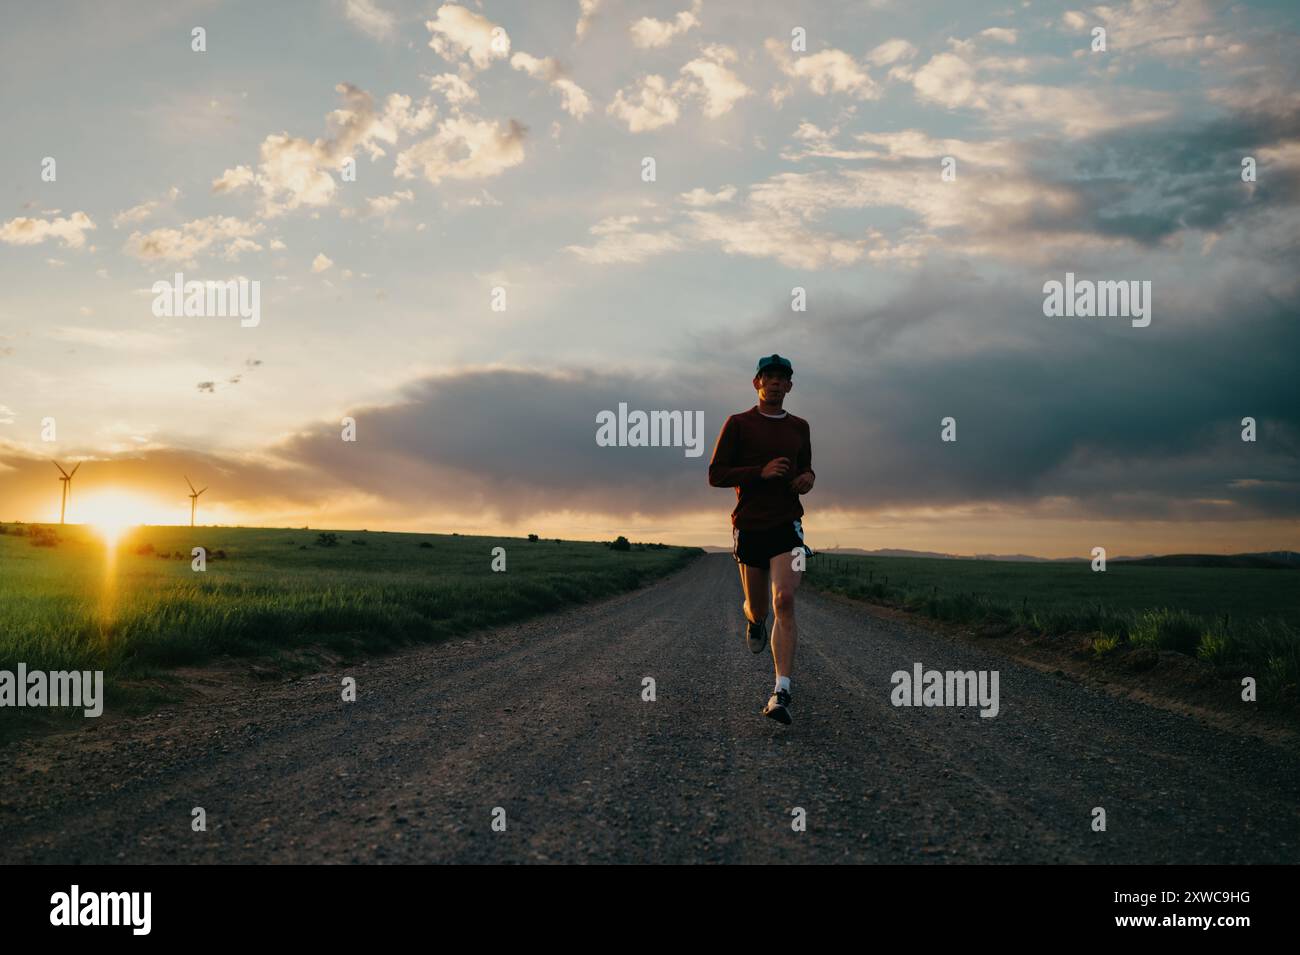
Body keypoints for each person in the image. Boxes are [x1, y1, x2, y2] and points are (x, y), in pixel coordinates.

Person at [707, 354, 815, 725]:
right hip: (750, 525)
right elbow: (716, 474)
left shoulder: (800, 427)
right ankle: (753, 621)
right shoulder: (738, 424)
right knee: (759, 609)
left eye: (781, 377)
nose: (774, 382)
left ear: (789, 386)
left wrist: (808, 478)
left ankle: (781, 690)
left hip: (788, 525)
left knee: (784, 599)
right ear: (757, 383)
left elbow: (806, 469)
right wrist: (760, 472)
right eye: (767, 376)